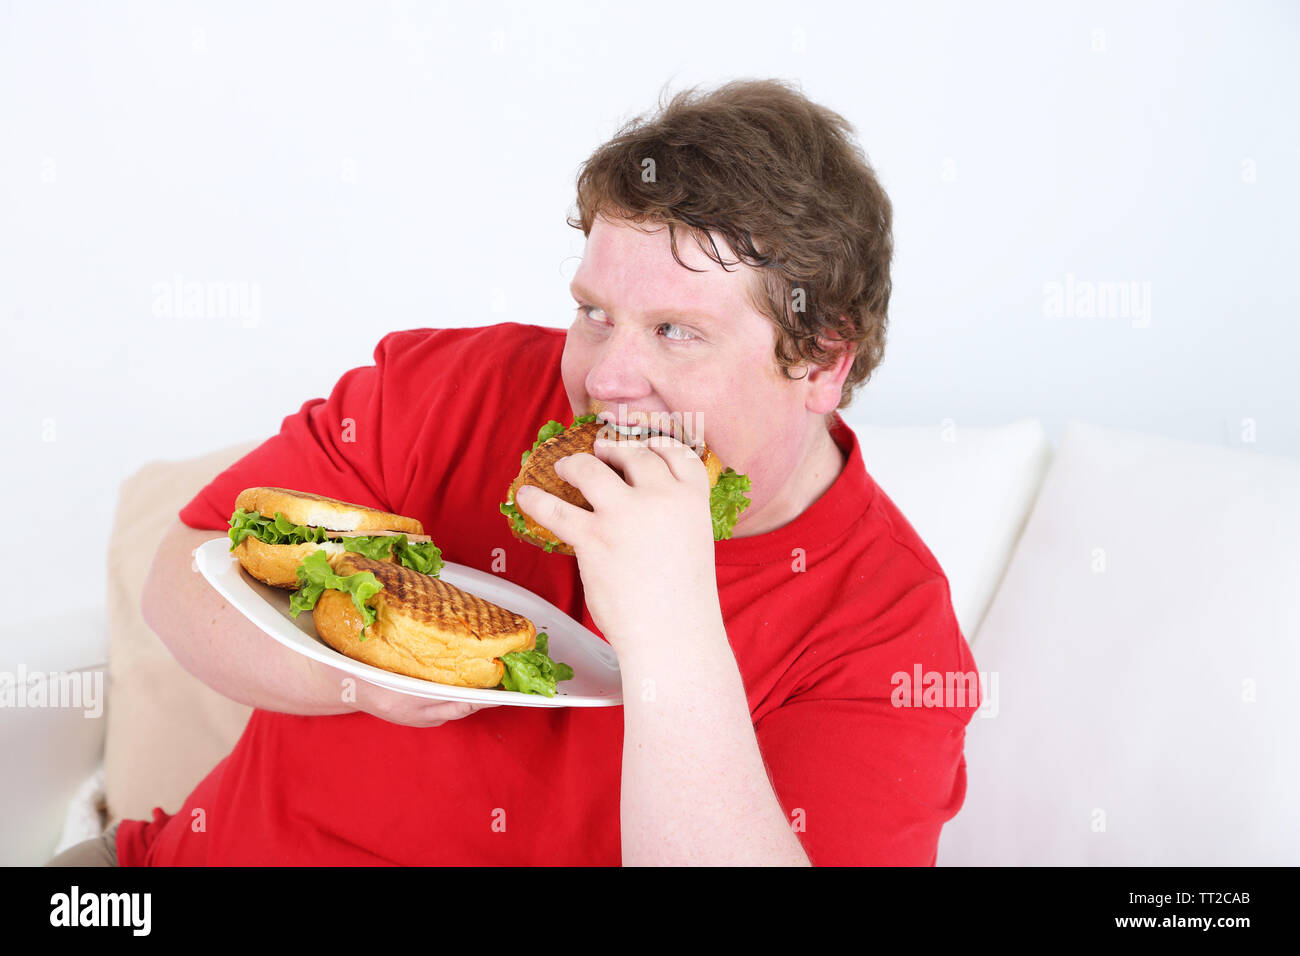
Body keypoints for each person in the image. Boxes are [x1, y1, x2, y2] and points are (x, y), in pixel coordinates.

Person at [51, 78, 979, 867]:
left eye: (676, 332)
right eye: (595, 312)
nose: (604, 379)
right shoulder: (444, 385)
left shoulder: (888, 638)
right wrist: (359, 681)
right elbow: (188, 573)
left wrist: (673, 628)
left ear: (821, 360)